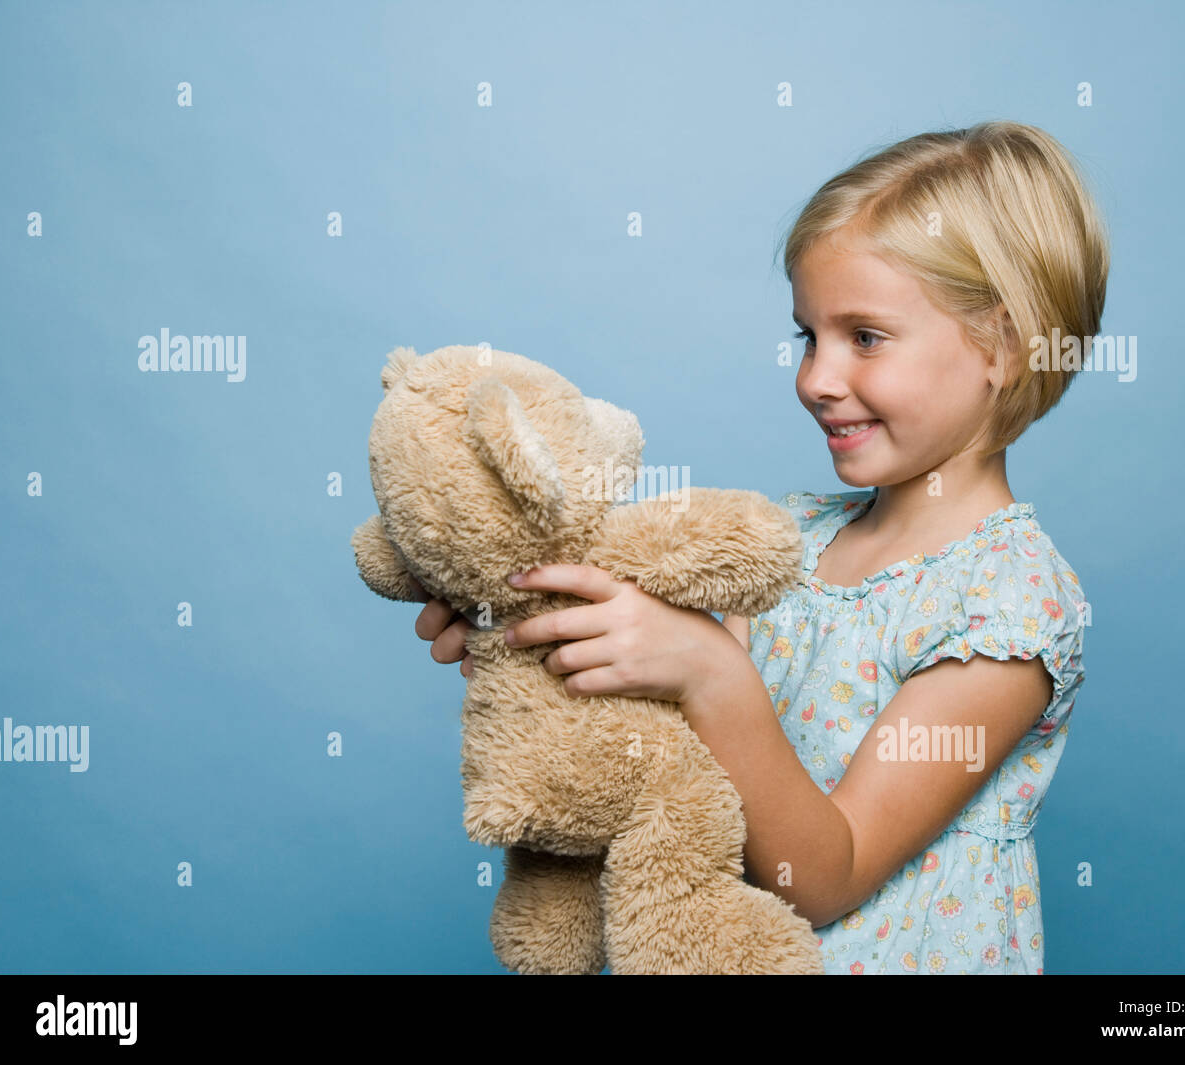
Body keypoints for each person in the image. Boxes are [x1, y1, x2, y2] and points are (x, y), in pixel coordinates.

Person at [415, 120, 1106, 974]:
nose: (815, 377)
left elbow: (825, 873)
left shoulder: (1008, 604)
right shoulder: (796, 539)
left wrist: (708, 669)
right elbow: (684, 733)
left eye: (865, 337)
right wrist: (534, 625)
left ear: (1001, 346)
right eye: (806, 336)